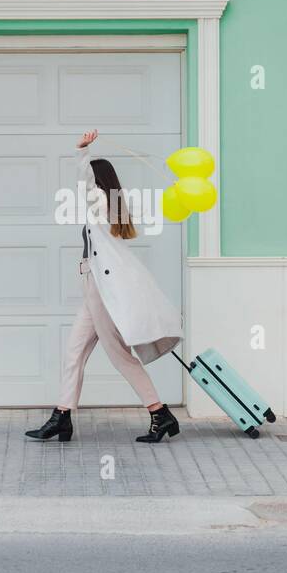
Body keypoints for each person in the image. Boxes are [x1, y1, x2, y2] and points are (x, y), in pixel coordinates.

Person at [25, 129, 183, 444]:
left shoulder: (100, 205)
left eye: (91, 181)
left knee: (119, 355)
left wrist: (81, 152)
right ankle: (62, 417)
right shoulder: (111, 207)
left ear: (97, 182)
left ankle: (159, 413)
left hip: (101, 288)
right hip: (94, 286)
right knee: (74, 353)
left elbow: (84, 184)